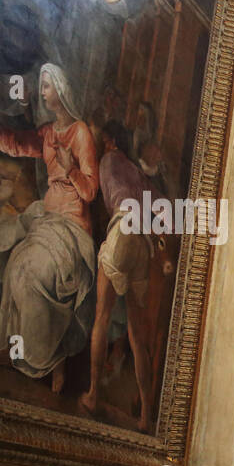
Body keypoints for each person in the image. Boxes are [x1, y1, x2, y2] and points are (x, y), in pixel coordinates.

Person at [0, 63, 98, 394]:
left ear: (61, 89)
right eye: (40, 85)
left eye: (46, 85)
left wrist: (70, 170)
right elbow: (15, 144)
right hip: (45, 220)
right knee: (11, 263)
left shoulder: (81, 133)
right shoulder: (47, 132)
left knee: (31, 272)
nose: (42, 91)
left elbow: (90, 192)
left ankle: (53, 360)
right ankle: (9, 350)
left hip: (70, 228)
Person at [79, 120, 172, 430]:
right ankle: (145, 416)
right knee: (137, 335)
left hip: (122, 230)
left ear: (108, 138)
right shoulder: (137, 173)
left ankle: (93, 395)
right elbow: (166, 210)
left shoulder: (107, 159)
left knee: (102, 318)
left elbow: (94, 196)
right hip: (142, 245)